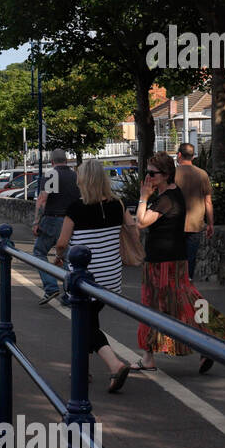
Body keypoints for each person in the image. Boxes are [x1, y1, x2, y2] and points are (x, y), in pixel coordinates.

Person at [134, 152, 225, 374]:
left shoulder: (165, 199)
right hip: (174, 258)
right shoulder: (173, 194)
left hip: (162, 262)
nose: (148, 177)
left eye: (152, 174)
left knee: (156, 305)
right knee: (187, 301)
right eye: (147, 173)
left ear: (165, 175)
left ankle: (152, 356)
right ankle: (208, 340)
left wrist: (143, 197)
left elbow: (142, 222)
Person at [53, 160, 134, 392]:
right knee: (89, 319)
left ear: (83, 180)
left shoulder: (76, 209)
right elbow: (131, 228)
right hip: (111, 275)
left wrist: (60, 256)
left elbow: (61, 243)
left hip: (85, 278)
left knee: (85, 323)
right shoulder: (117, 204)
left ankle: (115, 364)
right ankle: (81, 368)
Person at [33, 148, 80, 305]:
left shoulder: (51, 174)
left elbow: (43, 200)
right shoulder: (75, 176)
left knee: (39, 252)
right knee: (68, 258)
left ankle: (51, 286)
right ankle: (69, 293)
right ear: (66, 160)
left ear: (52, 162)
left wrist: (36, 222)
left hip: (52, 220)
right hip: (71, 221)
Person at [174, 142, 214, 280]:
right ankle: (187, 284)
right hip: (195, 224)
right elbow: (208, 201)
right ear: (193, 156)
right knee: (190, 259)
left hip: (175, 224)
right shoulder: (202, 174)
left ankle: (175, 288)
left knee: (176, 259)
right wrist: (210, 223)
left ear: (179, 155)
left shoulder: (173, 174)